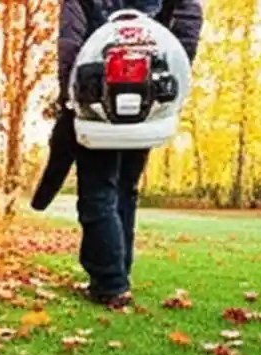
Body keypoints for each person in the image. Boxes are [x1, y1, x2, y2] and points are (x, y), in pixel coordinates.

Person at [57, 0, 204, 308]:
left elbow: (70, 37)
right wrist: (172, 69)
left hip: (96, 88)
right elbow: (189, 15)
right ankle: (118, 276)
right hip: (148, 91)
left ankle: (109, 284)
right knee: (125, 187)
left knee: (98, 192)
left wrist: (69, 95)